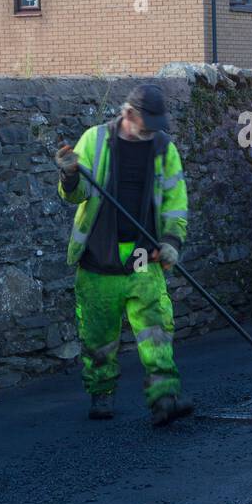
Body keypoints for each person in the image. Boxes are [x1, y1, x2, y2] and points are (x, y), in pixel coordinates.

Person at [54, 84, 192, 426]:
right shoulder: (95, 140)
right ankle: (101, 393)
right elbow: (76, 195)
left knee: (155, 330)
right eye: (146, 125)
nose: (150, 133)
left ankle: (165, 397)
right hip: (100, 254)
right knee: (98, 335)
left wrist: (172, 240)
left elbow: (176, 202)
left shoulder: (163, 148)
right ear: (128, 114)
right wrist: (70, 174)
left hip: (144, 255)